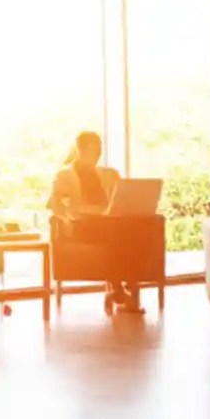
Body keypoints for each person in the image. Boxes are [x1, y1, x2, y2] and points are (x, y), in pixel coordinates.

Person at [47, 130, 144, 314]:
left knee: (127, 232)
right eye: (93, 149)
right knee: (117, 234)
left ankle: (123, 291)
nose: (97, 154)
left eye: (99, 150)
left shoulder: (109, 174)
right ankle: (122, 291)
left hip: (108, 220)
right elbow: (54, 204)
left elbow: (120, 198)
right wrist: (69, 217)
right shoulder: (65, 176)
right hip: (80, 223)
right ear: (80, 150)